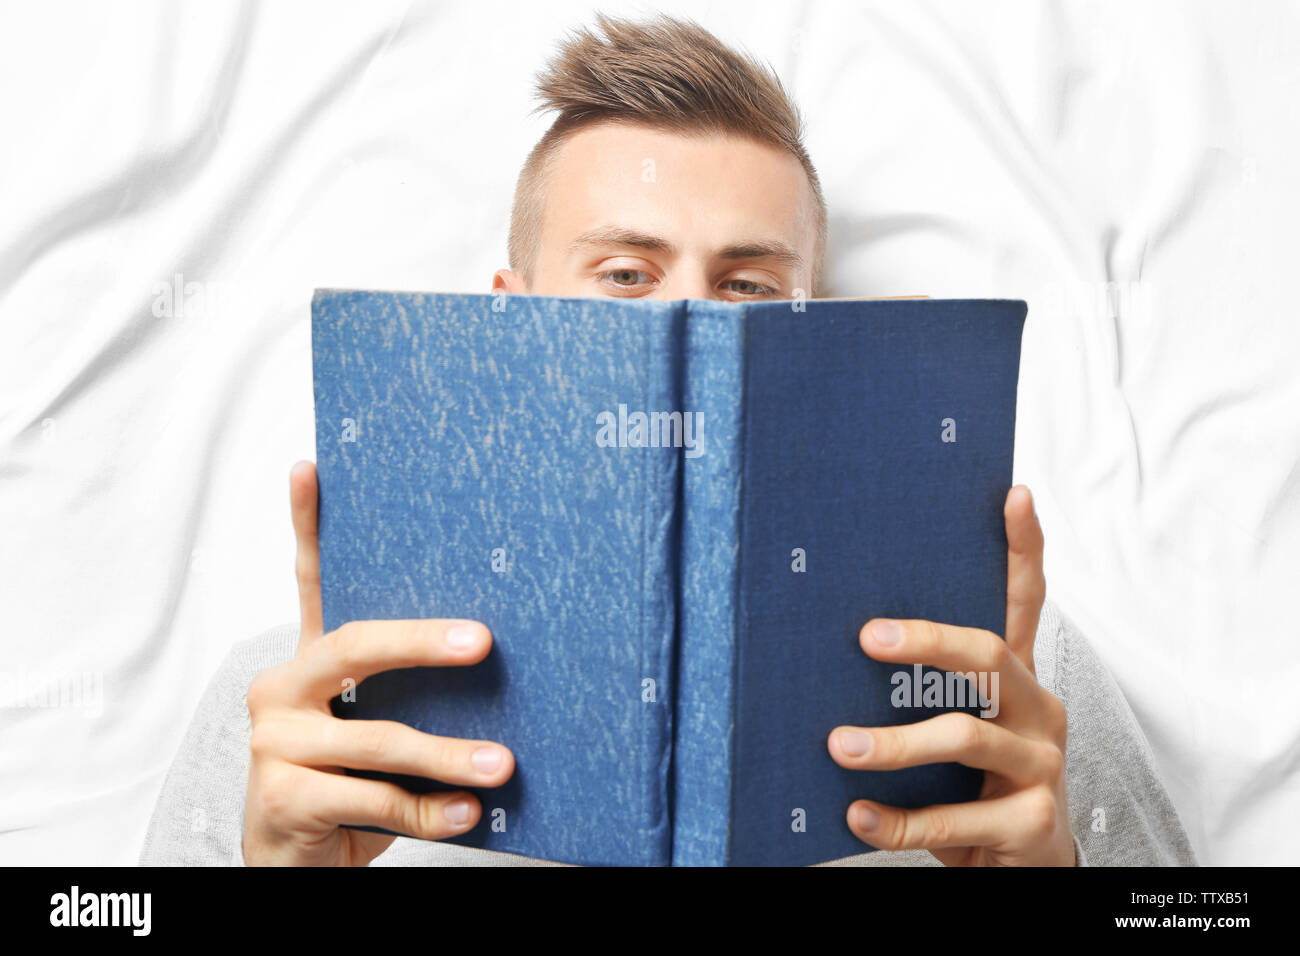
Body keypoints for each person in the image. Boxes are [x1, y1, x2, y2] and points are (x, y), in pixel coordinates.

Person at [139, 13, 1196, 867]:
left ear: (818, 332)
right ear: (510, 321)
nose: (689, 328)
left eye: (747, 285)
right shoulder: (303, 714)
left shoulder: (1006, 678)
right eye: (625, 275)